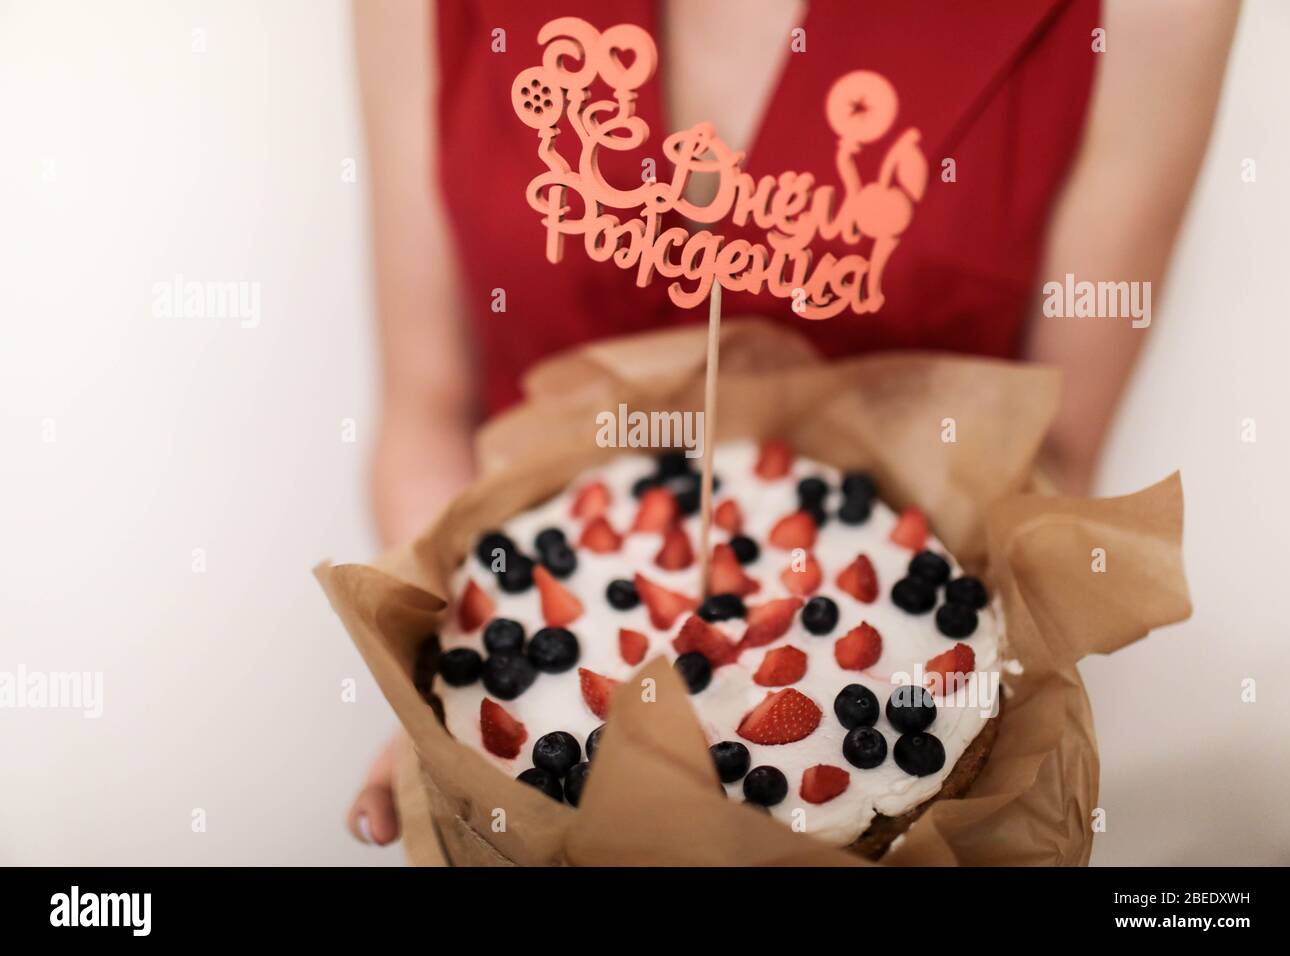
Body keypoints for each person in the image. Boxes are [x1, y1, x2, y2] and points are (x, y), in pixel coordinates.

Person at [346, 0, 1239, 847]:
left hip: (892, 653)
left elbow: (1052, 457)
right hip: (537, 619)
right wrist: (444, 699)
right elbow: (427, 408)